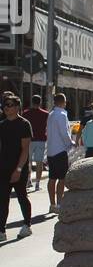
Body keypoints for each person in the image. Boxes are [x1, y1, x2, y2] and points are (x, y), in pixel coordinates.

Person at [0, 96, 33, 243]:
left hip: (19, 167)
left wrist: (18, 169)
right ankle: (1, 230)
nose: (6, 107)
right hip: (3, 167)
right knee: (2, 200)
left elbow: (25, 149)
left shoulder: (24, 124)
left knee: (22, 197)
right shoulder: (2, 125)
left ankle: (27, 224)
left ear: (17, 107)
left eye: (9, 105)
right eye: (4, 105)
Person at [46, 91, 74, 215]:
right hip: (60, 150)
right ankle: (59, 203)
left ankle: (52, 204)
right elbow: (65, 133)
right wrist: (71, 143)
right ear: (63, 102)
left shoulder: (51, 114)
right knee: (62, 178)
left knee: (52, 178)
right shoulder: (62, 115)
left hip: (51, 150)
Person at [22, 94, 49, 191]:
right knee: (39, 162)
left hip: (28, 140)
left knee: (27, 162)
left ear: (32, 102)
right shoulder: (46, 114)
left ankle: (28, 180)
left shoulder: (25, 113)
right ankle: (37, 183)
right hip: (41, 139)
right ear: (40, 102)